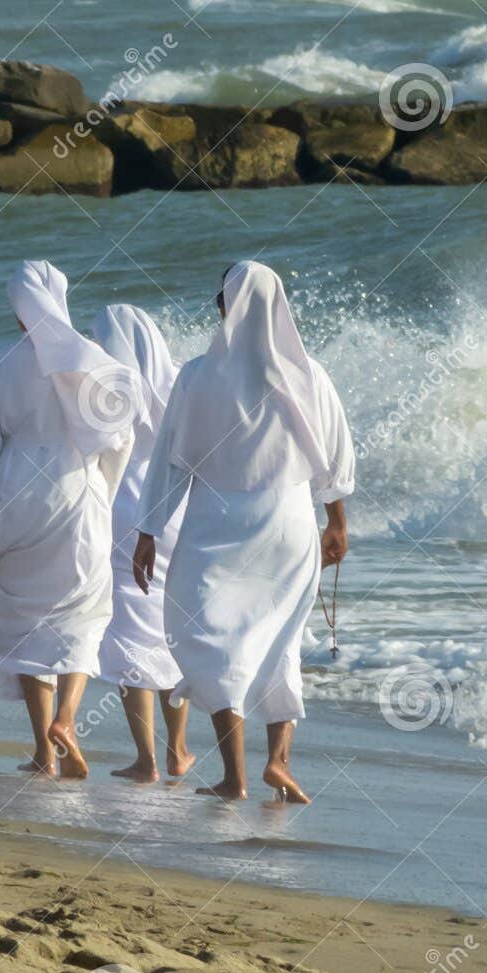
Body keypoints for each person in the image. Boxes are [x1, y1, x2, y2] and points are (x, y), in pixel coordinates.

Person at [134, 262, 354, 805]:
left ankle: (233, 777)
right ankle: (279, 762)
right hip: (290, 521)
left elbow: (170, 461)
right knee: (281, 640)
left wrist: (148, 529)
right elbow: (335, 456)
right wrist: (338, 522)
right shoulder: (309, 374)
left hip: (217, 520)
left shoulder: (196, 375)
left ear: (227, 306)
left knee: (213, 639)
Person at [0, 260, 139, 778]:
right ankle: (67, 720)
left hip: (16, 491)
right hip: (76, 487)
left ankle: (43, 748)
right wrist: (100, 488)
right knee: (84, 612)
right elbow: (119, 438)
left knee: (26, 623)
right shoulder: (96, 361)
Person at [91, 304, 193, 784]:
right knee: (172, 631)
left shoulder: (109, 387)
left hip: (124, 511)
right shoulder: (180, 385)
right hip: (174, 512)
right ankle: (179, 751)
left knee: (130, 635)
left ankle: (145, 760)